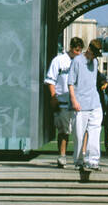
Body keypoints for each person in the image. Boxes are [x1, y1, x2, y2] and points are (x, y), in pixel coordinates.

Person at [44, 37, 84, 168]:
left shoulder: (82, 61)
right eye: (77, 50)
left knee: (80, 132)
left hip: (77, 102)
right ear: (71, 48)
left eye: (80, 50)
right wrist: (53, 97)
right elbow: (51, 80)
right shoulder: (59, 60)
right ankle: (62, 156)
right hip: (62, 101)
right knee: (63, 131)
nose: (78, 53)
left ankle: (80, 156)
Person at [68, 38, 104, 174]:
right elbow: (70, 83)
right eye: (94, 54)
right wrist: (74, 100)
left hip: (94, 102)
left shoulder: (95, 62)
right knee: (78, 134)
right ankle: (78, 160)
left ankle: (93, 160)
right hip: (80, 104)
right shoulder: (77, 61)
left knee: (95, 132)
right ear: (89, 49)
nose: (95, 57)